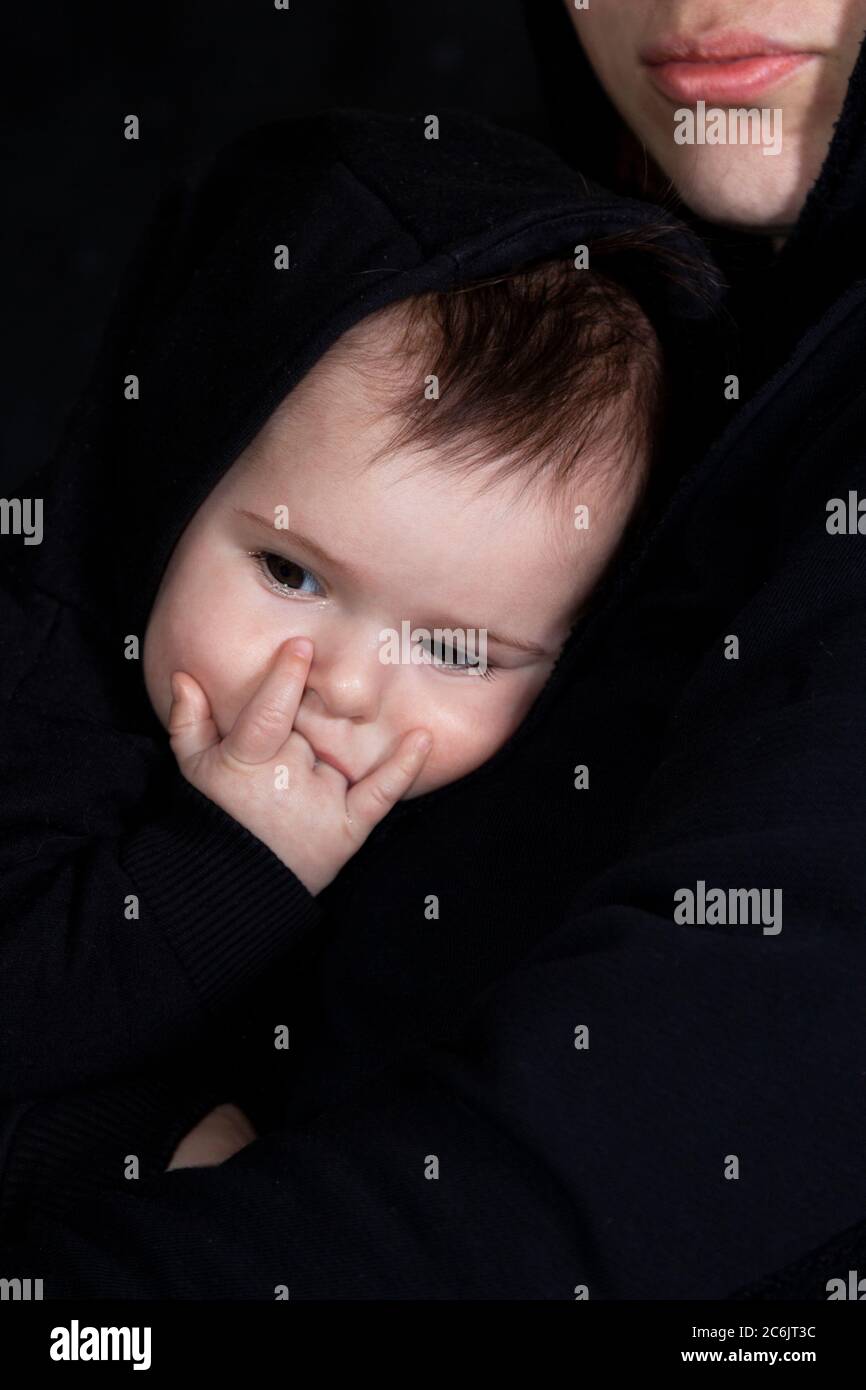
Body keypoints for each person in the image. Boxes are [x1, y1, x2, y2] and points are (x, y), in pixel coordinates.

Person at [0, 110, 733, 1297]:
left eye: (456, 647)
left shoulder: (525, 784)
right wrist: (232, 859)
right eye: (290, 574)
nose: (343, 688)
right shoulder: (36, 667)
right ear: (173, 475)